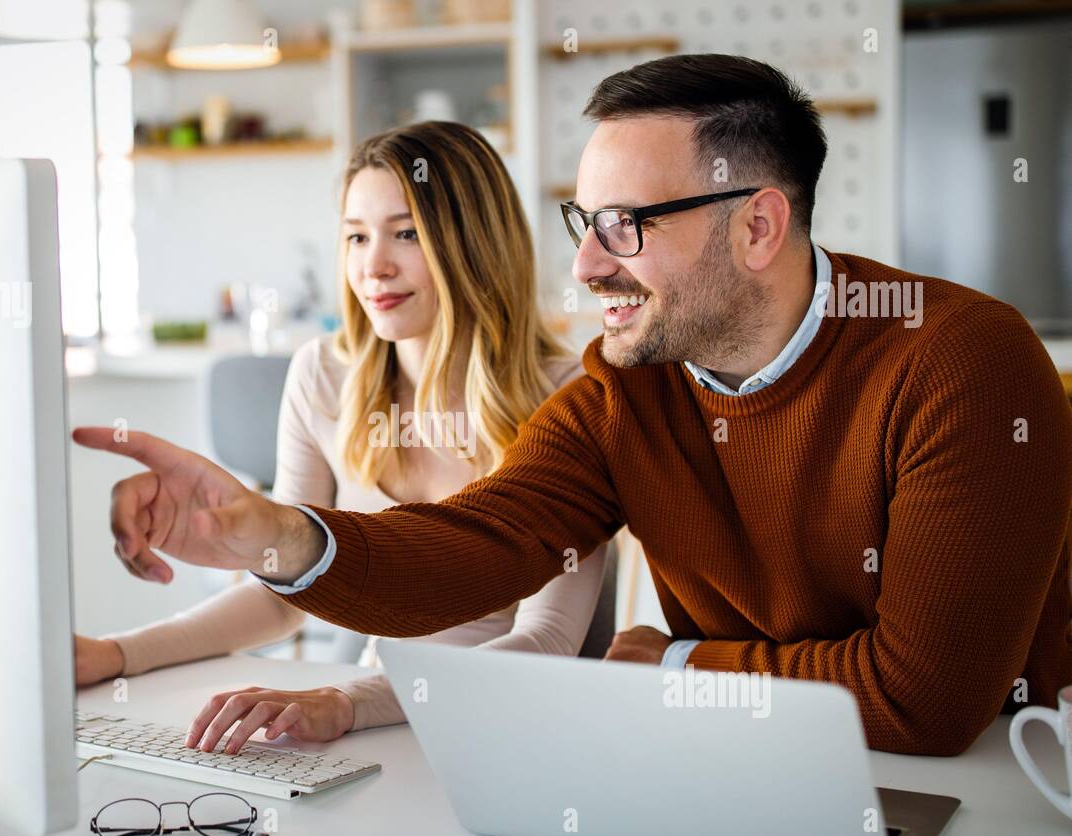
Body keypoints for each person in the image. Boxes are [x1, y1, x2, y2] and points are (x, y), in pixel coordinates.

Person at [74, 55, 1072, 758]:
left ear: (759, 225)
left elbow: (925, 701)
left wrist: (671, 653)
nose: (587, 264)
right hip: (750, 746)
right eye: (581, 223)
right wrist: (277, 534)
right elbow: (471, 548)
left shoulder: (962, 361)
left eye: (624, 226)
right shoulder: (622, 390)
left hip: (997, 776)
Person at [73, 120, 605, 751]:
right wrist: (117, 654)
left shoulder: (572, 395)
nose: (373, 266)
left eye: (406, 233)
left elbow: (545, 642)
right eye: (356, 236)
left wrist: (349, 701)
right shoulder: (323, 376)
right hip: (378, 720)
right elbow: (281, 596)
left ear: (474, 242)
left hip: (506, 726)